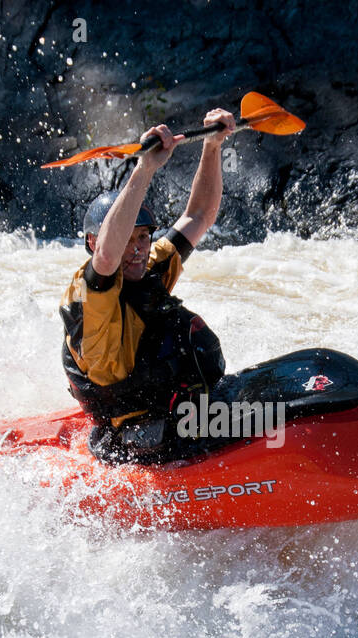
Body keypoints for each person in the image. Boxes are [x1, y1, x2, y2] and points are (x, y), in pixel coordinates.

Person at [58, 109, 236, 464]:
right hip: (133, 435)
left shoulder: (148, 267)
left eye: (143, 237)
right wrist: (146, 167)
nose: (138, 248)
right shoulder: (92, 294)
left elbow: (198, 216)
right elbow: (107, 259)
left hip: (173, 412)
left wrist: (213, 146)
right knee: (269, 419)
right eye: (128, 238)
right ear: (94, 243)